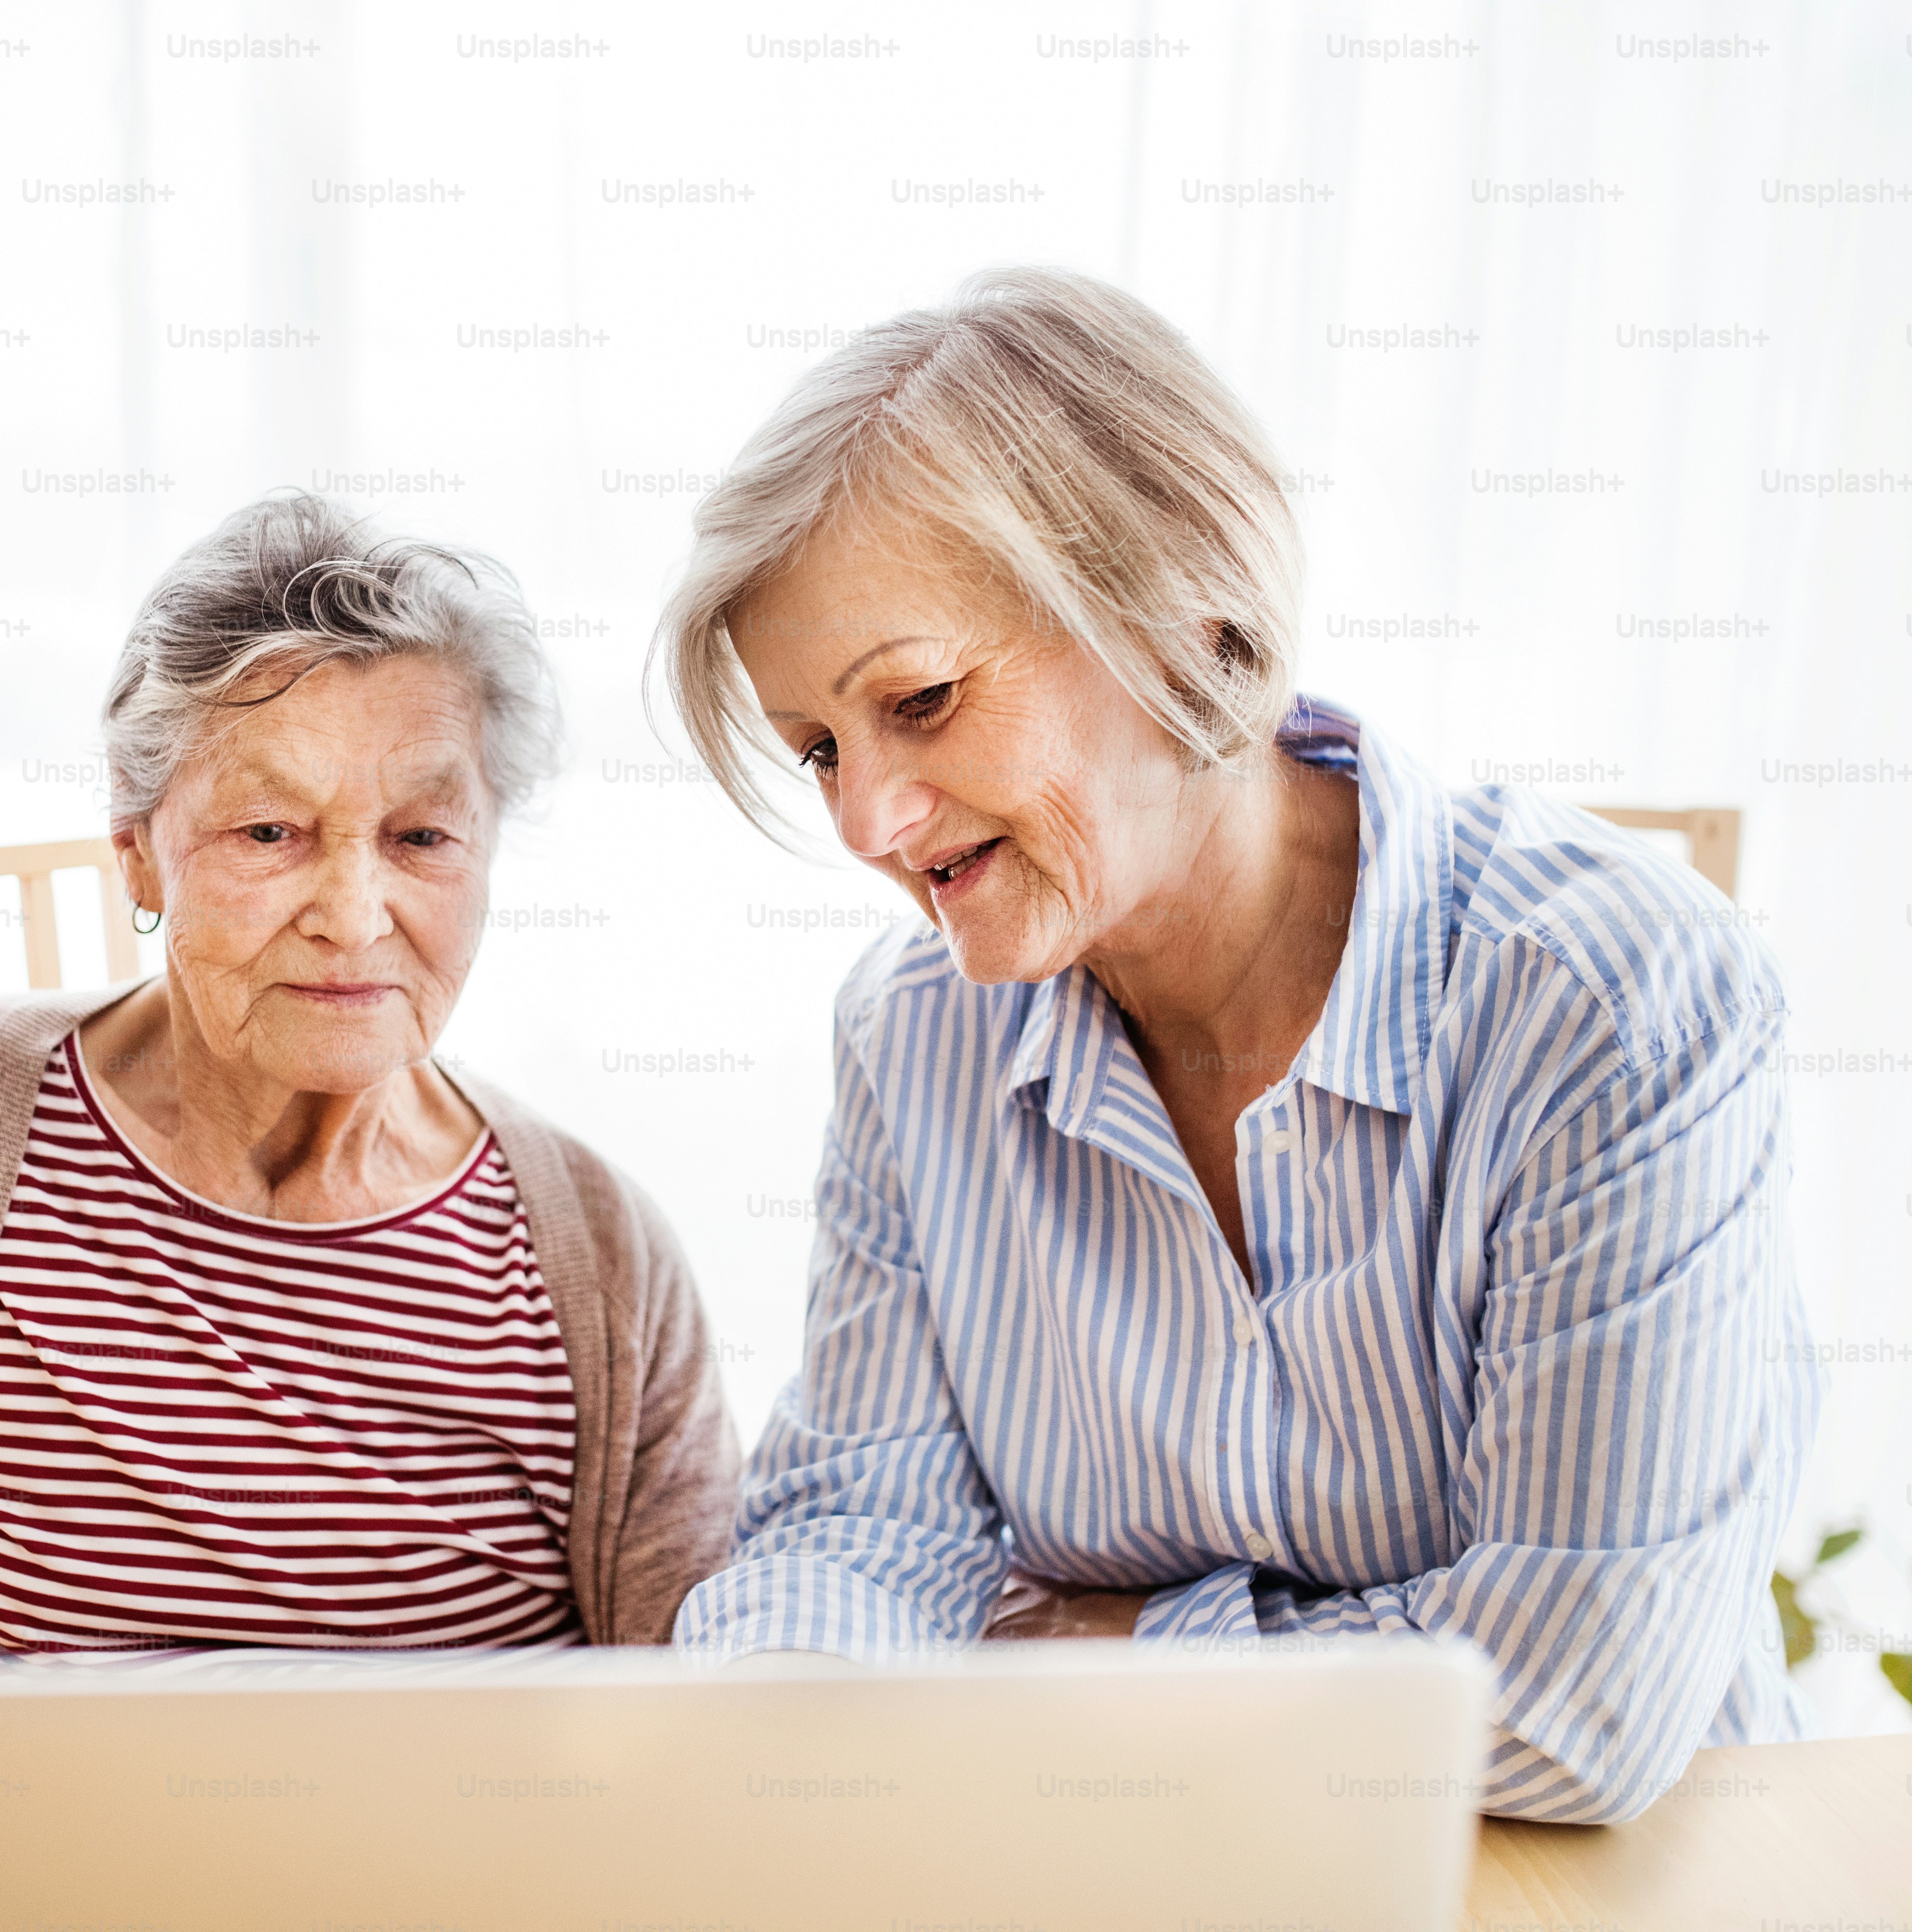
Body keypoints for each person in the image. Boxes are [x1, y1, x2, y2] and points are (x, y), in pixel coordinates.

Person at [656, 267, 1820, 1824]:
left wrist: (1113, 1654)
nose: (865, 821)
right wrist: (782, 1734)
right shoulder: (909, 1034)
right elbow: (857, 1534)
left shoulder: (1607, 1001)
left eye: (922, 701)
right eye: (820, 750)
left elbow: (1570, 1701)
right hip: (1167, 1861)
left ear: (1184, 598)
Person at [0, 493, 738, 1877]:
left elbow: (700, 1748)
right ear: (136, 853)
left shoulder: (600, 1254)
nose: (354, 913)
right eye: (268, 834)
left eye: (421, 838)